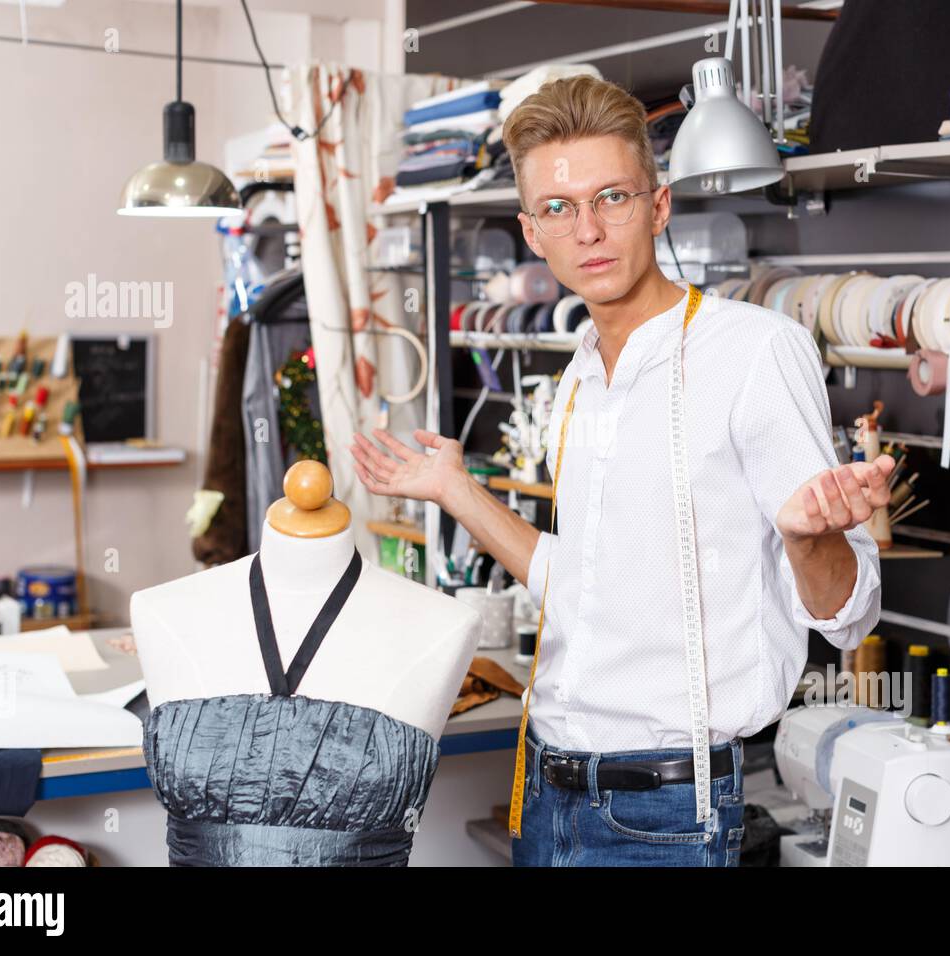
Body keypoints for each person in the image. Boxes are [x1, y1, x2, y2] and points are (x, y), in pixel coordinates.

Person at [350, 75, 892, 866]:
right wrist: (455, 491)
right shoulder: (581, 375)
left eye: (613, 198)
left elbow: (850, 617)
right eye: (561, 209)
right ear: (532, 232)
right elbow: (582, 584)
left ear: (659, 205)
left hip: (667, 810)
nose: (590, 231)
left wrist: (808, 541)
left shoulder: (754, 352)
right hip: (547, 788)